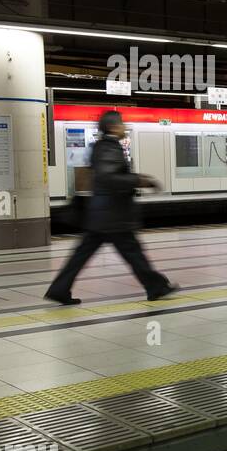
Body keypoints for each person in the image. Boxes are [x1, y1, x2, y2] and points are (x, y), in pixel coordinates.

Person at [45, 110, 178, 305]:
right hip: (113, 216)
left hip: (101, 214)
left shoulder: (101, 147)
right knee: (133, 253)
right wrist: (140, 180)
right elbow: (109, 178)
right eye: (122, 123)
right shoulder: (109, 147)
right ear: (114, 127)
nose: (124, 126)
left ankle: (59, 289)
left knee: (82, 255)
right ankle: (156, 287)